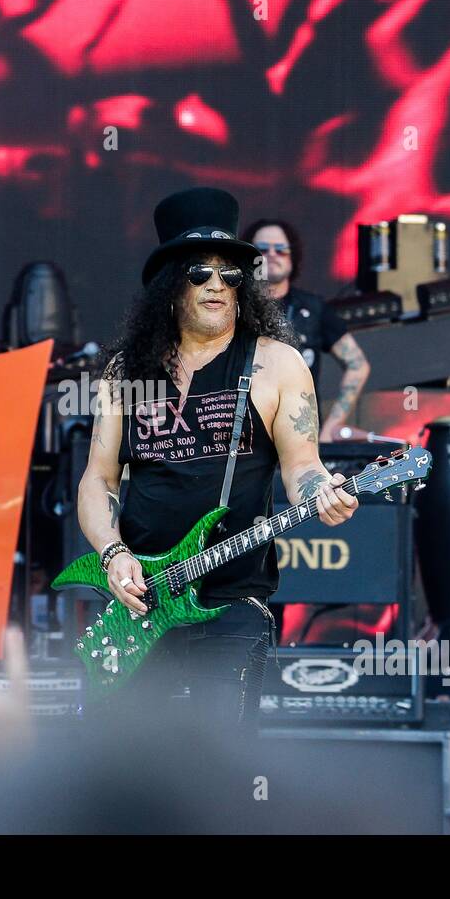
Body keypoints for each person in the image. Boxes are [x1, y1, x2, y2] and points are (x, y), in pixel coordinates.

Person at [77, 188, 358, 734]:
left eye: (230, 274)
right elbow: (99, 478)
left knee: (218, 772)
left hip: (230, 603)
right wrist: (113, 555)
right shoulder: (124, 372)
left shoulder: (277, 365)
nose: (215, 285)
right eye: (199, 272)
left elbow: (303, 467)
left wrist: (323, 489)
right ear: (170, 284)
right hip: (140, 603)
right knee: (122, 777)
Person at [241, 218, 370, 441]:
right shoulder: (235, 306)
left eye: (281, 249)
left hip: (300, 435)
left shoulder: (313, 307)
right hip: (245, 435)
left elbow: (358, 365)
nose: (272, 254)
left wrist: (332, 426)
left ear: (293, 257)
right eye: (262, 249)